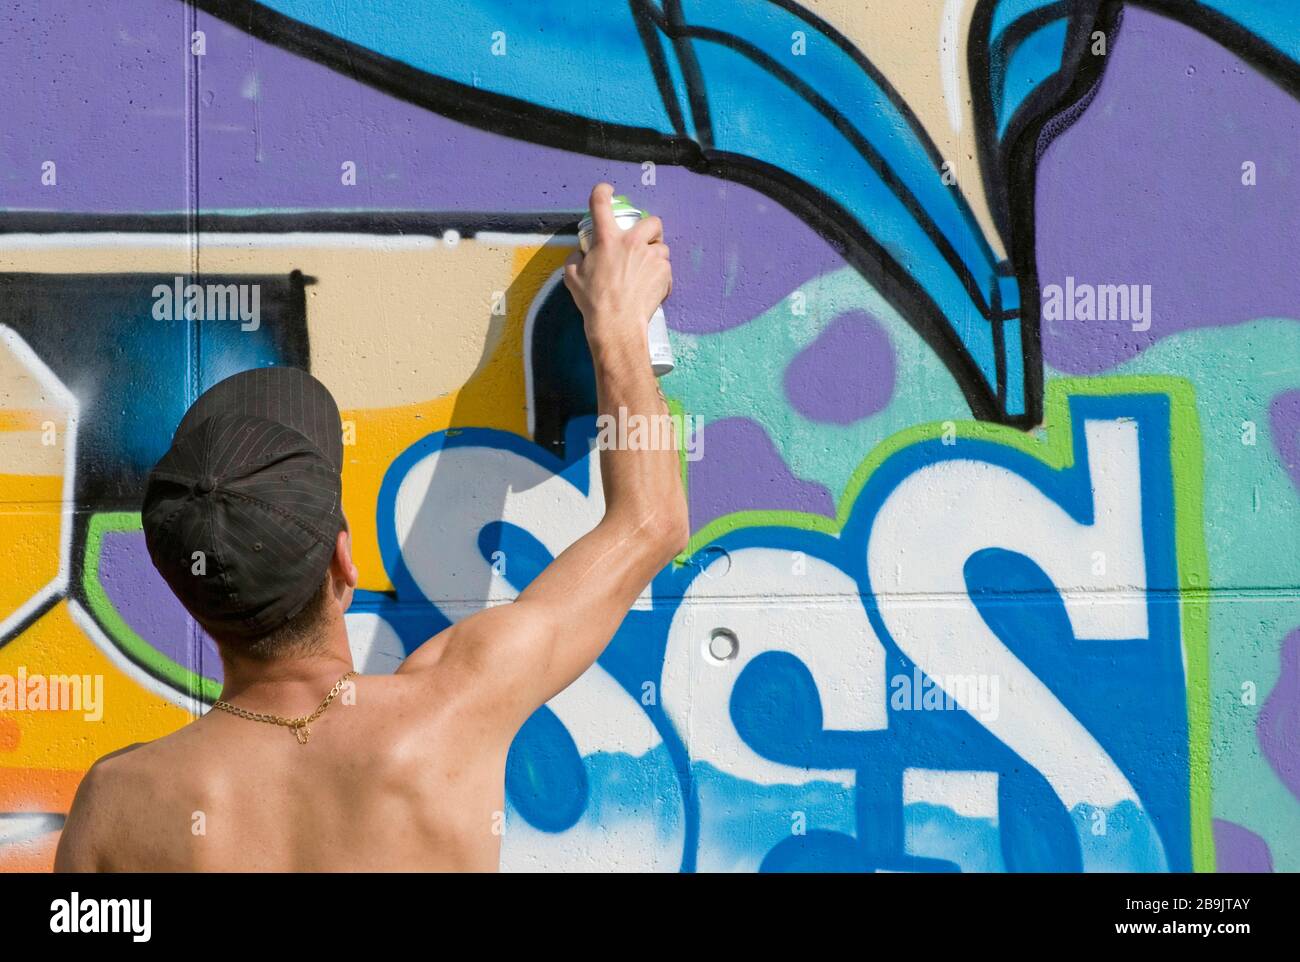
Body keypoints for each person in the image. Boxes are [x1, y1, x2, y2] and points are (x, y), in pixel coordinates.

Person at [54, 183, 687, 872]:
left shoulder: (117, 805)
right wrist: (618, 326)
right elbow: (649, 521)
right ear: (342, 563)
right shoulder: (453, 710)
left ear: (193, 598)